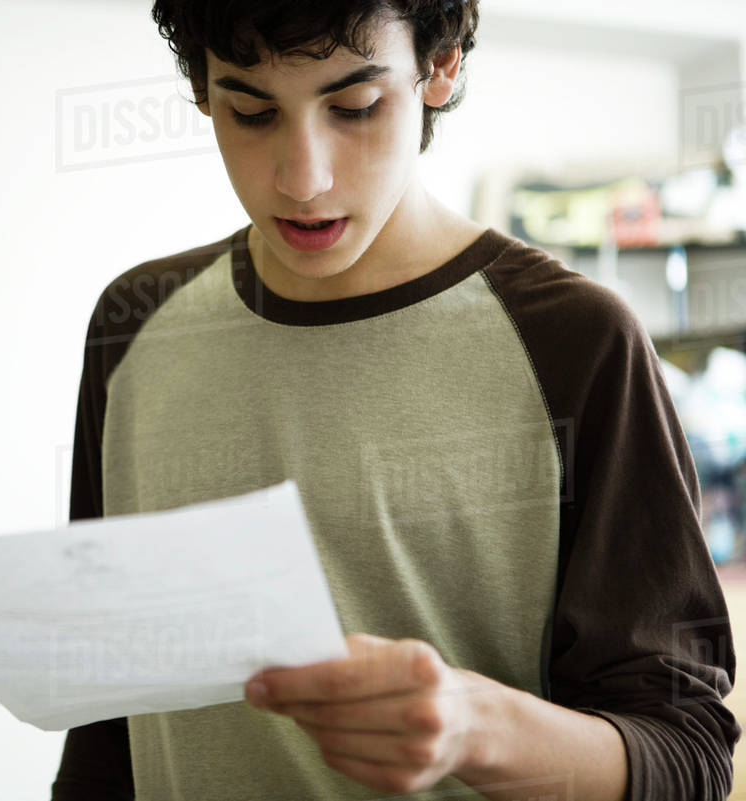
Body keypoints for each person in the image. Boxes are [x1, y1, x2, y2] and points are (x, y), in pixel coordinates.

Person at [51, 1, 741, 799]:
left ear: (440, 67)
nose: (303, 179)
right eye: (251, 110)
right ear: (204, 92)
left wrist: (475, 727)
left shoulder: (577, 341)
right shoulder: (134, 326)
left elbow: (687, 758)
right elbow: (107, 734)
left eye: (354, 107)